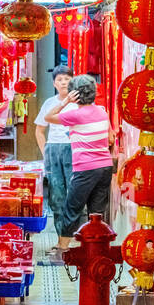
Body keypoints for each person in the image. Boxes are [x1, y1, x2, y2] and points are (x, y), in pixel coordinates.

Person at [44, 73, 114, 248]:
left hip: (85, 168)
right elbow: (111, 138)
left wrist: (65, 101)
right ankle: (96, 248)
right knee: (96, 211)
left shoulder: (75, 115)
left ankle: (62, 247)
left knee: (72, 208)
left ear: (74, 94)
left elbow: (49, 117)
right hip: (105, 166)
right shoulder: (103, 112)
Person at [34, 66, 73, 254]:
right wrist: (45, 153)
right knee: (57, 197)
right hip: (54, 149)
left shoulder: (79, 102)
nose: (63, 82)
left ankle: (74, 241)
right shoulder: (49, 103)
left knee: (75, 195)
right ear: (54, 83)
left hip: (74, 150)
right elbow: (39, 130)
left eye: (67, 79)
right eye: (60, 79)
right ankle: (60, 241)